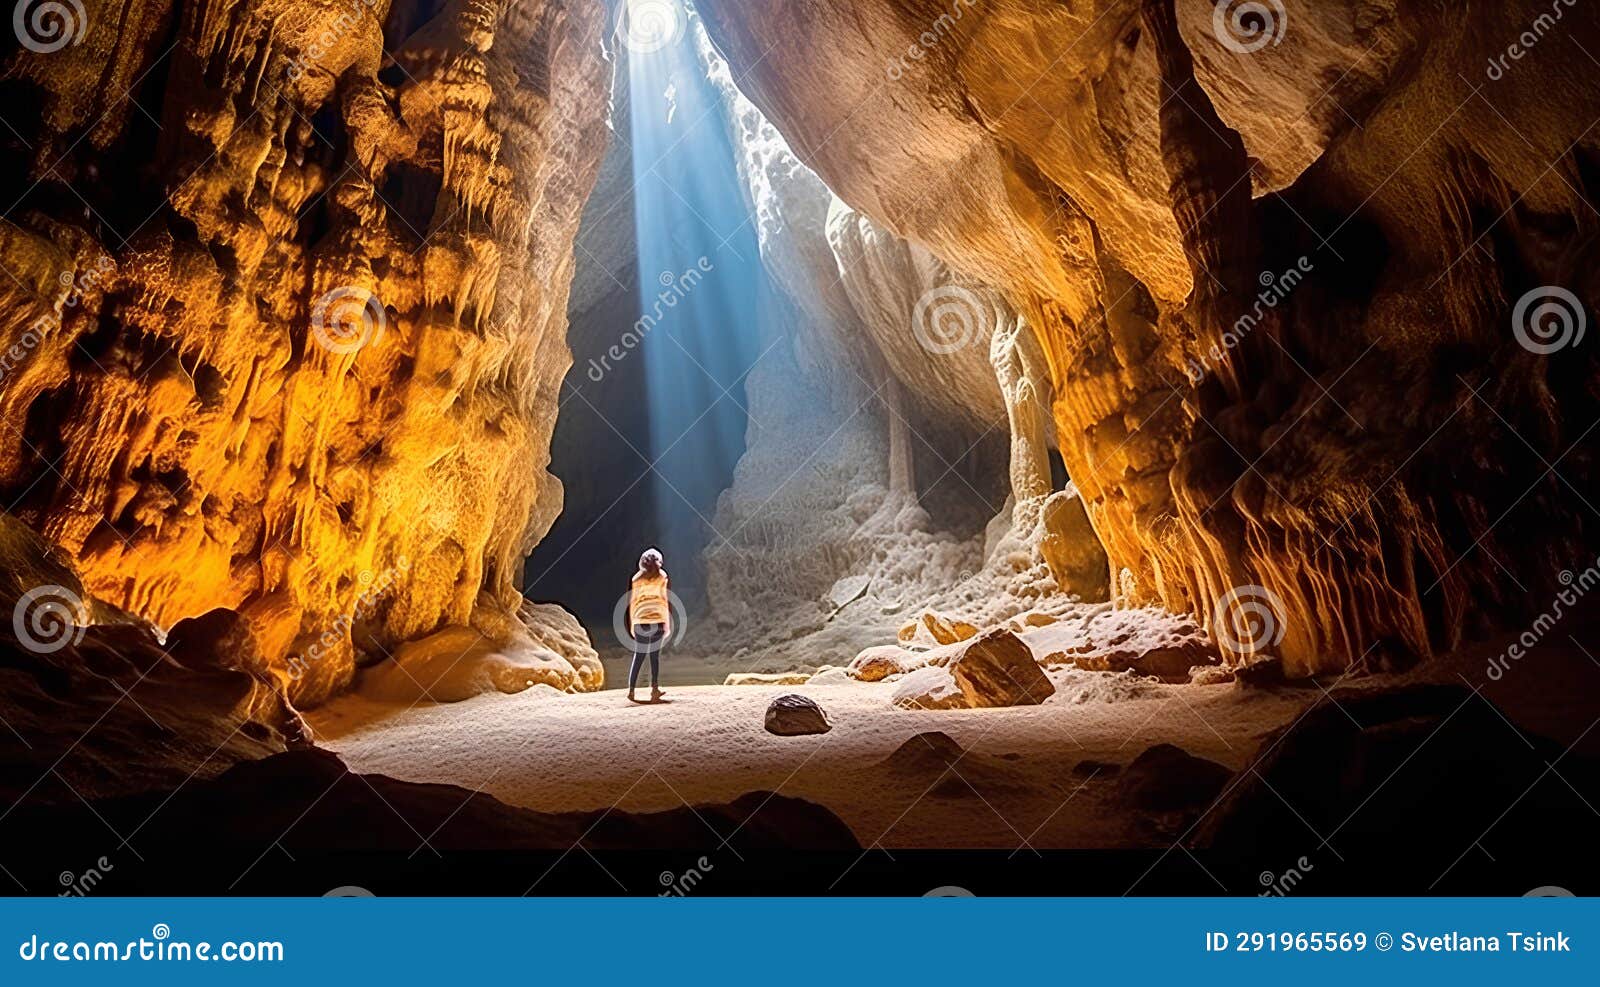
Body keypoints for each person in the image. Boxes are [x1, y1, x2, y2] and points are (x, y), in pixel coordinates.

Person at [627, 547, 671, 703]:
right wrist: (667, 621)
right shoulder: (662, 576)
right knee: (654, 657)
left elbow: (633, 602)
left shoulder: (636, 579)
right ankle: (654, 689)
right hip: (658, 620)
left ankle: (631, 690)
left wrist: (632, 622)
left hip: (640, 620)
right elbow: (664, 600)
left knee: (638, 656)